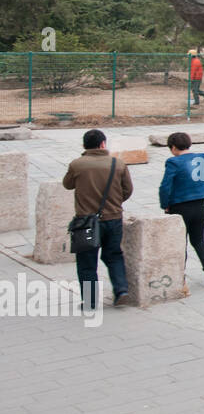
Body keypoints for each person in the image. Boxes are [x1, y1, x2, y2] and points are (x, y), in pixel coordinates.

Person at [62, 129, 134, 308]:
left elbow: (67, 184)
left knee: (86, 262)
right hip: (113, 219)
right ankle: (121, 290)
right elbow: (128, 190)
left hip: (86, 222)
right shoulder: (117, 164)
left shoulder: (77, 164)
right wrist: (114, 203)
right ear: (103, 144)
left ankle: (90, 300)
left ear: (84, 145)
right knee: (114, 255)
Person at [159, 131, 204, 284]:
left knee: (180, 241)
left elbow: (166, 186)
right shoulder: (202, 158)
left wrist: (165, 204)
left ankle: (180, 275)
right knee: (198, 239)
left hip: (180, 205)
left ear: (172, 147)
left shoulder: (173, 162)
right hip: (199, 203)